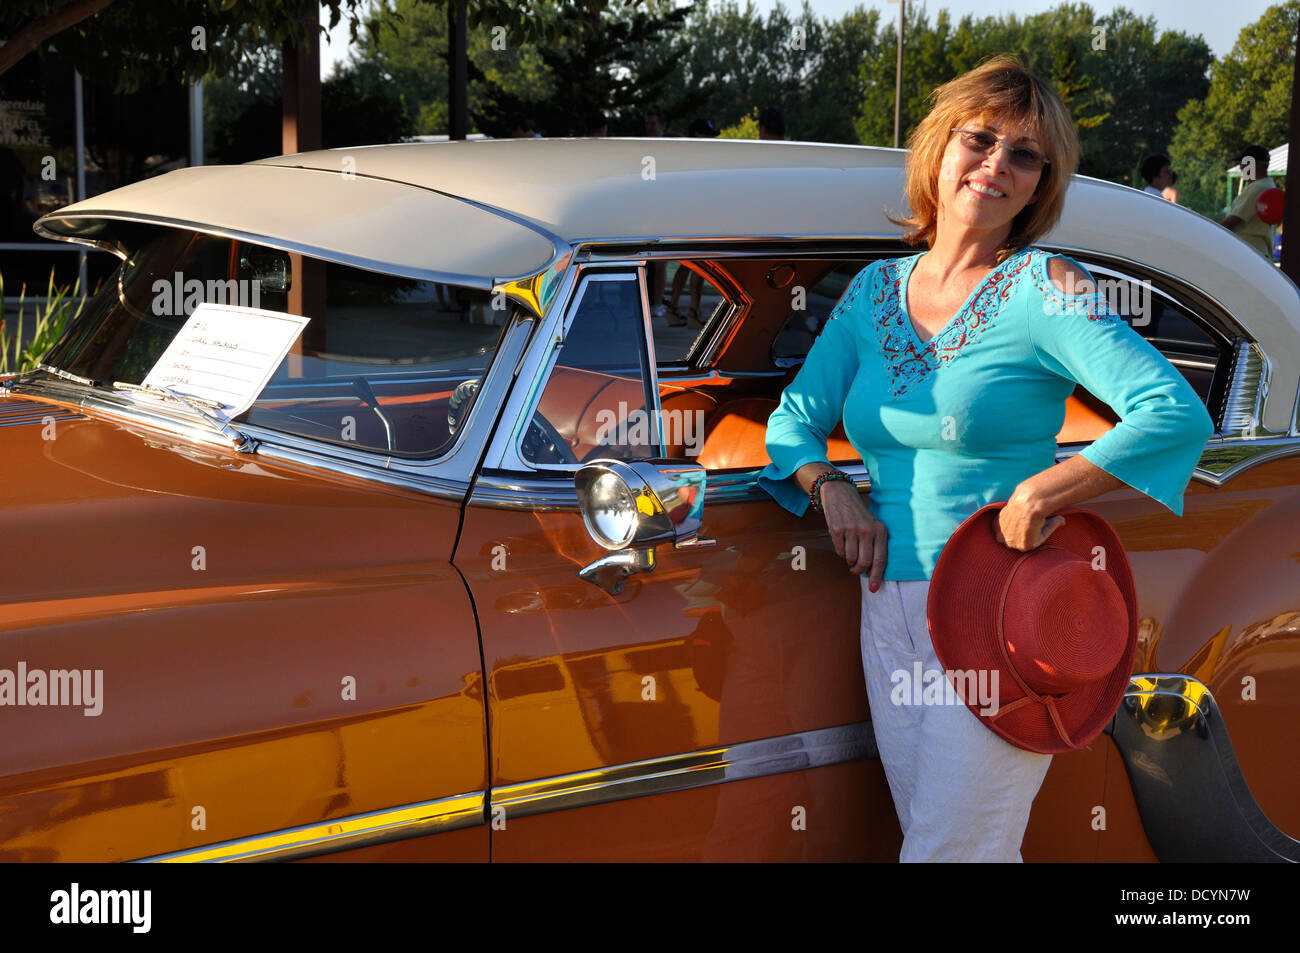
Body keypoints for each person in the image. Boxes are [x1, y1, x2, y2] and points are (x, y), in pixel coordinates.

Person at [758, 54, 1214, 862]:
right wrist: (830, 486)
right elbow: (793, 419)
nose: (997, 164)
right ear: (939, 147)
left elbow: (1171, 411)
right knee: (955, 845)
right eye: (981, 139)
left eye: (1026, 154)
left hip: (1001, 608)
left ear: (1042, 184)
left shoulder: (1043, 284)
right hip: (887, 609)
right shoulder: (871, 291)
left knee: (946, 853)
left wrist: (1045, 490)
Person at [1221, 144, 1277, 260]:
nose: (1240, 167)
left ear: (1253, 164)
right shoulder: (1269, 185)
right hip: (1258, 251)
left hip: (1248, 251)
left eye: (1243, 163)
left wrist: (1210, 232)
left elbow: (1233, 221)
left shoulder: (1257, 187)